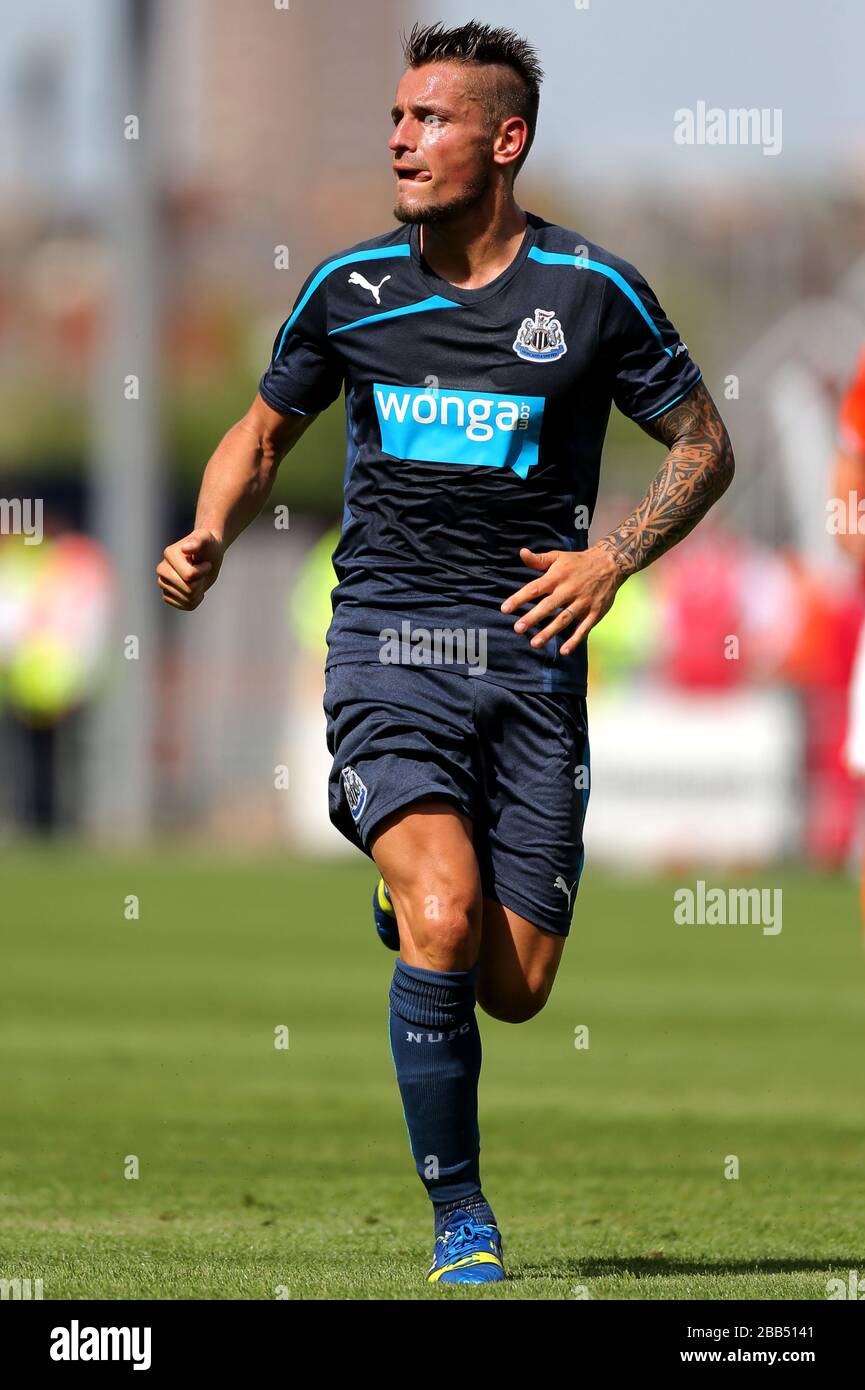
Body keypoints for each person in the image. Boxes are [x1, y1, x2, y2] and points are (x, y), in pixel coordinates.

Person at [156, 20, 734, 1285]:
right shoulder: (350, 289)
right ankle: (461, 1216)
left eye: (429, 120)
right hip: (385, 653)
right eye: (397, 117)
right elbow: (259, 436)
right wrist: (204, 533)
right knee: (443, 908)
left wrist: (614, 556)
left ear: (505, 141)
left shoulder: (594, 294)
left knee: (515, 983)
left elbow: (704, 446)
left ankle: (411, 902)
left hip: (530, 670)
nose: (399, 139)